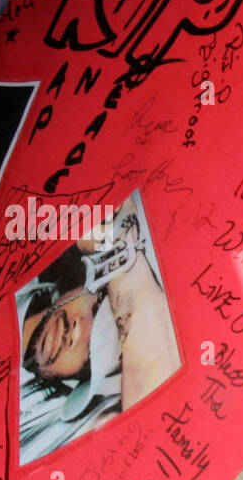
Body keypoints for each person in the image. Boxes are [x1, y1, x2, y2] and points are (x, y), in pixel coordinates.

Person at [18, 195, 179, 464]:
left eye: (92, 356)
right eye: (96, 308)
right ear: (80, 282)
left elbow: (151, 417)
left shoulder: (51, 417)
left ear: (80, 381)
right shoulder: (18, 259)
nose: (79, 333)